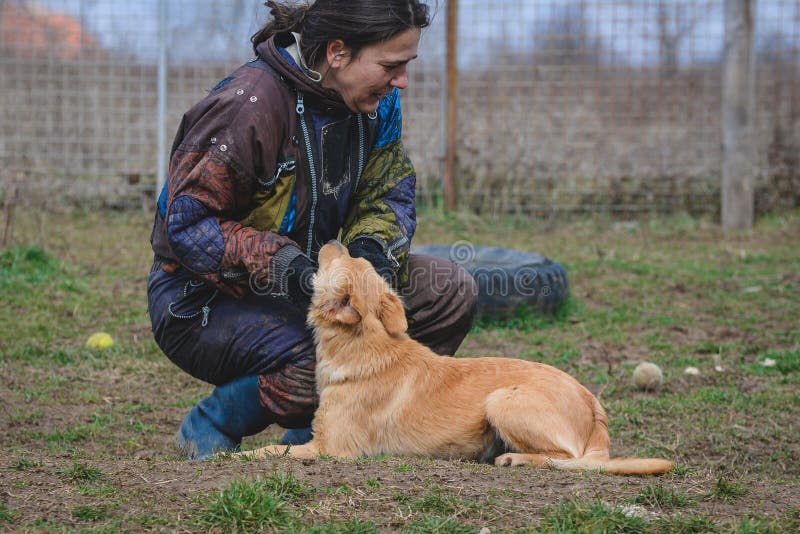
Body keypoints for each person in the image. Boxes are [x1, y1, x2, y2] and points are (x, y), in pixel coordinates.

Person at [147, 0, 477, 460]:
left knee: (449, 294)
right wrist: (285, 266)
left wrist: (373, 257)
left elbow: (387, 192)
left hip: (316, 284)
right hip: (201, 299)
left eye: (406, 65)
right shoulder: (249, 106)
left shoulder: (377, 105)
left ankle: (337, 430)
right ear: (337, 53)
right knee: (334, 345)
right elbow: (188, 224)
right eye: (390, 66)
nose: (401, 80)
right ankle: (215, 420)